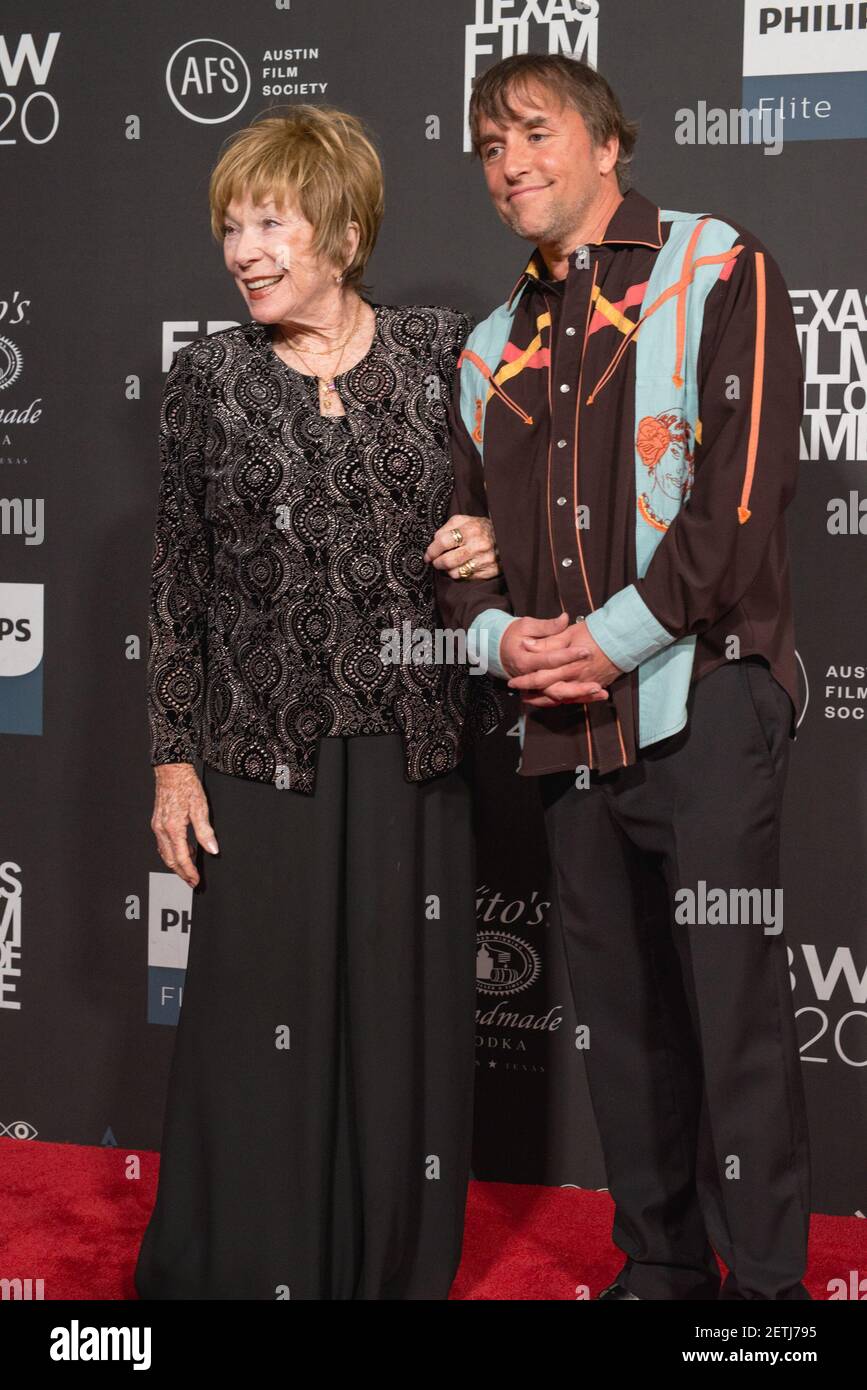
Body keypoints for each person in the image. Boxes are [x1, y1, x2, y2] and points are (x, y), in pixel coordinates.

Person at [430, 54, 811, 1300]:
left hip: (707, 698)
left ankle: (763, 1301)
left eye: (533, 132)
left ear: (608, 142)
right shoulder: (490, 346)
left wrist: (611, 634)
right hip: (562, 727)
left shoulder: (718, 266)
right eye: (489, 145)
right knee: (626, 1024)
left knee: (735, 1016)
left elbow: (737, 505)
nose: (509, 163)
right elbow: (460, 547)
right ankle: (658, 1270)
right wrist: (500, 640)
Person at [135, 104, 500, 1301]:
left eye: (270, 221)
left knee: (397, 1029)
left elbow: (527, 509)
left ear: (343, 230)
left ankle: (385, 1266)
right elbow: (176, 582)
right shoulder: (208, 379)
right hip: (259, 755)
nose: (243, 249)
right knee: (260, 1030)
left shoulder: (442, 354)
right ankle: (248, 1268)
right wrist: (173, 763)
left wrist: (493, 532)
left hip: (412, 753)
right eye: (230, 226)